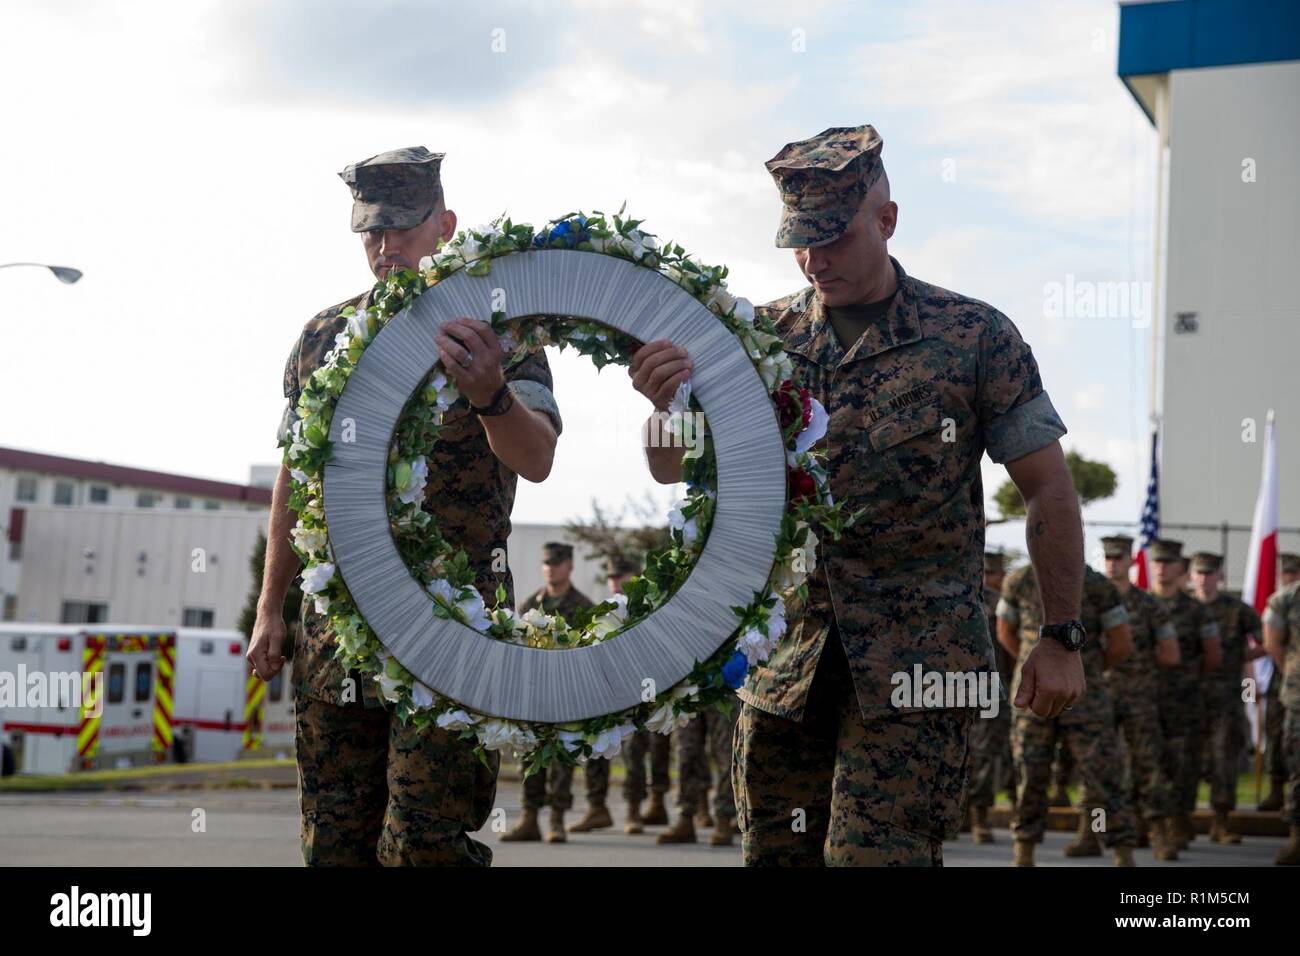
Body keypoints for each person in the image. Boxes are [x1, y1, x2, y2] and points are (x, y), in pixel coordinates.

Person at [634, 123, 1085, 866]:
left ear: (886, 219)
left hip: (920, 667)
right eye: (799, 242)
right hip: (786, 665)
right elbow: (672, 468)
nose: (814, 260)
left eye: (833, 238)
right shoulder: (758, 339)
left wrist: (1061, 636)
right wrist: (665, 410)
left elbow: (1048, 490)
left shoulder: (973, 337)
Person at [248, 146, 562, 867]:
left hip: (448, 634)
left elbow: (537, 458)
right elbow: (297, 478)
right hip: (336, 640)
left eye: (403, 229)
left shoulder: (501, 332)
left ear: (445, 225)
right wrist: (272, 606)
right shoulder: (325, 337)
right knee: (335, 845)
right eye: (370, 233)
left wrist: (490, 393)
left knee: (423, 847)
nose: (386, 247)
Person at [999, 563, 1137, 866]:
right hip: (1034, 698)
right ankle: (1024, 852)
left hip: (1084, 699)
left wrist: (1085, 674)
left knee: (1101, 776)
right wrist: (1037, 669)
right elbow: (1005, 631)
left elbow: (1121, 641)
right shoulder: (1019, 580)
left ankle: (1119, 848)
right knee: (1030, 773)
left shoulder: (1099, 585)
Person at [501, 542, 604, 843]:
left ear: (569, 566)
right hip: (534, 693)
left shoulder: (584, 607)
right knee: (530, 755)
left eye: (557, 563)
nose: (551, 568)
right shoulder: (531, 605)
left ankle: (557, 819)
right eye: (547, 563)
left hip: (569, 694)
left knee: (563, 757)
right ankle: (529, 818)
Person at [1096, 534, 1181, 859]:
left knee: (1147, 766)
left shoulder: (1150, 605)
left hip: (1138, 698)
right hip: (1099, 698)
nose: (1114, 563)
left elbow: (1171, 655)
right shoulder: (1088, 599)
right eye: (1109, 557)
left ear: (1132, 561)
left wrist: (1138, 666)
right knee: (1097, 769)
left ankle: (1158, 833)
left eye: (1120, 557)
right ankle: (1092, 832)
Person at [1148, 539, 1222, 850]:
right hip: (1144, 699)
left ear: (1181, 569)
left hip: (1184, 699)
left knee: (1182, 764)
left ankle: (1178, 821)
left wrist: (1189, 681)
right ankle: (1148, 823)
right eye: (1158, 562)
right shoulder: (1140, 604)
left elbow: (1213, 656)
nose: (1162, 568)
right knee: (1144, 761)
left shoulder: (1197, 611)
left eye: (1169, 563)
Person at [1190, 551, 1264, 844]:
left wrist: (1236, 659)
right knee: (1185, 758)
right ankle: (1178, 822)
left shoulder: (1238, 611)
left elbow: (1267, 641)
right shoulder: (1181, 608)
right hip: (1184, 698)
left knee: (1224, 759)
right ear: (1192, 575)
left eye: (1210, 573)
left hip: (1225, 697)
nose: (1205, 579)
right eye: (1200, 573)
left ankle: (1220, 822)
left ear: (1220, 576)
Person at [606, 554, 673, 834]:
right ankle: (633, 809)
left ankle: (657, 802)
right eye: (612, 578)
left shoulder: (653, 605)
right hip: (626, 692)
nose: (616, 582)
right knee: (633, 749)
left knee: (659, 747)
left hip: (656, 689)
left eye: (622, 576)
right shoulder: (606, 611)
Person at [967, 550, 1014, 844]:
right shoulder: (960, 596)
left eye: (993, 573)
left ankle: (980, 816)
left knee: (987, 754)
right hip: (955, 688)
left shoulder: (1002, 604)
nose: (988, 578)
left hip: (992, 690)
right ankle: (961, 814)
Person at [1263, 567, 1300, 864]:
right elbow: (1273, 642)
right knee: (1298, 767)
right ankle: (1297, 837)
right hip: (1298, 698)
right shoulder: (1286, 599)